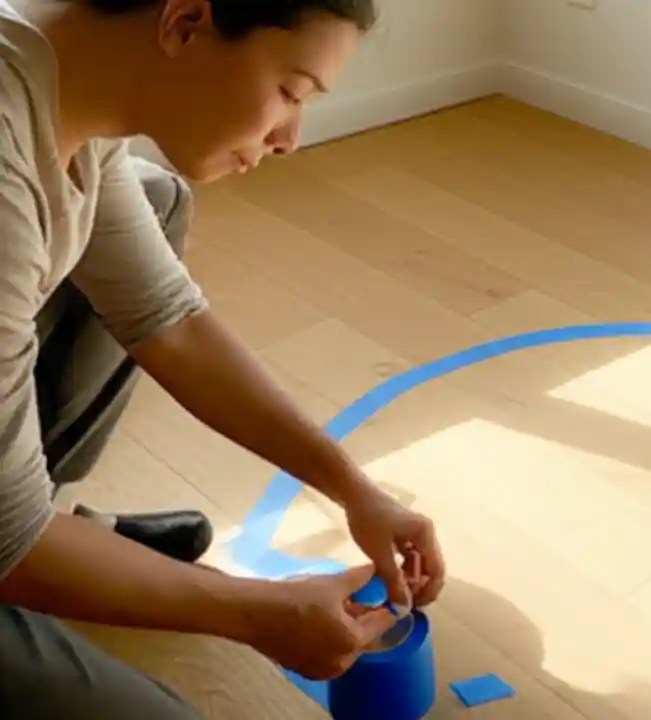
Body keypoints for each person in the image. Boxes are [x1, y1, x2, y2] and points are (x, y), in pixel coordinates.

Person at [0, 0, 447, 715]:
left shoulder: (60, 90)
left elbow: (166, 319)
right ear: (185, 22)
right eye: (291, 91)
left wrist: (352, 488)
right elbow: (7, 538)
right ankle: (49, 546)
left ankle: (55, 517)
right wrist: (256, 614)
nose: (291, 138)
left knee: (156, 199)